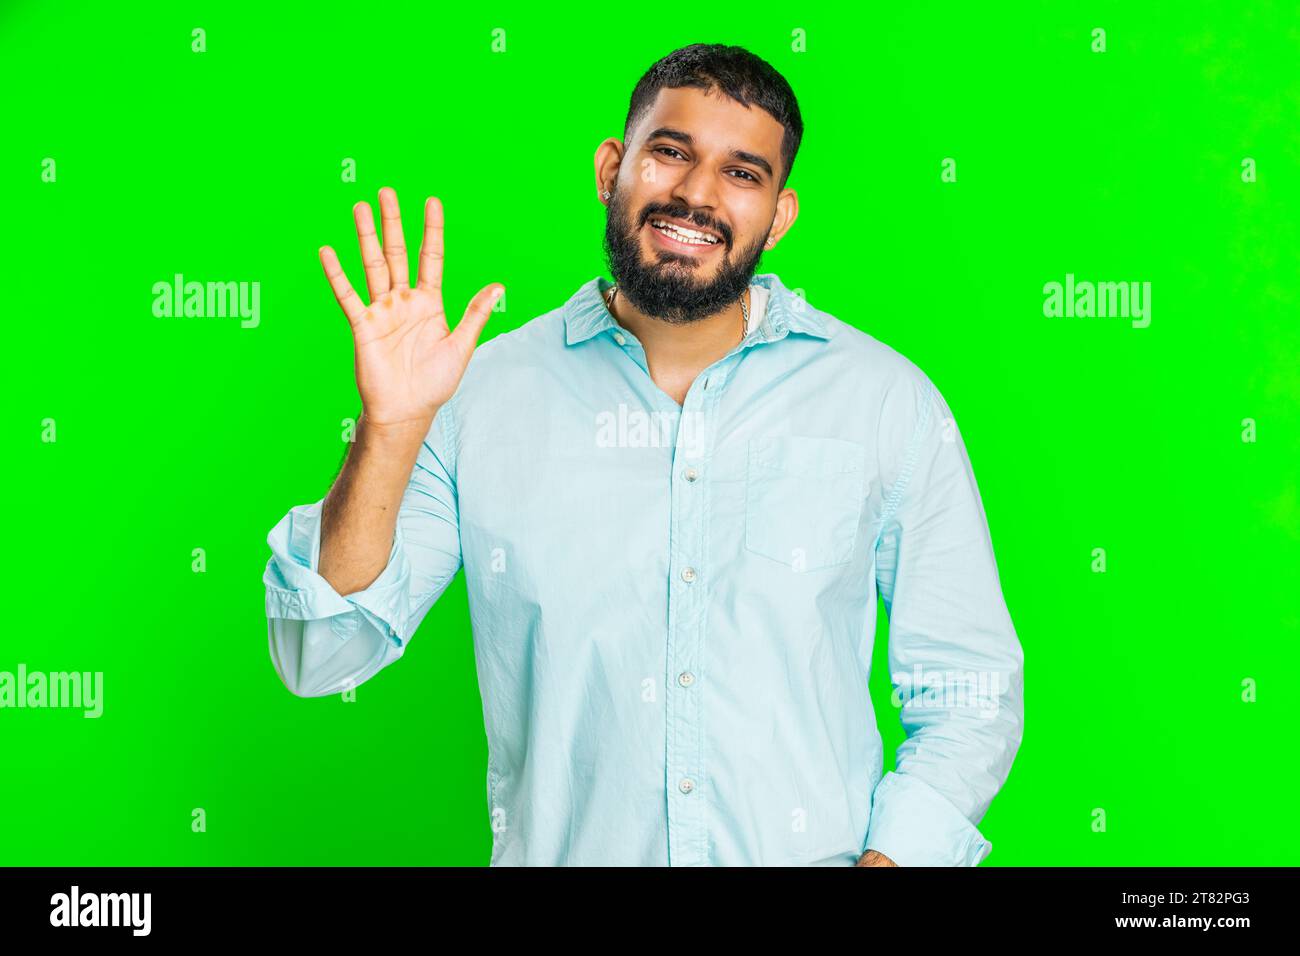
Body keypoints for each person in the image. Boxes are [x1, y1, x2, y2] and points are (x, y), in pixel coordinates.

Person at [263, 42, 1024, 867]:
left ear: (779, 215)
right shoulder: (479, 397)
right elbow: (322, 653)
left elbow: (968, 687)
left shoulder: (882, 401)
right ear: (610, 170)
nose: (696, 195)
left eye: (742, 173)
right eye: (670, 153)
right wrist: (390, 427)